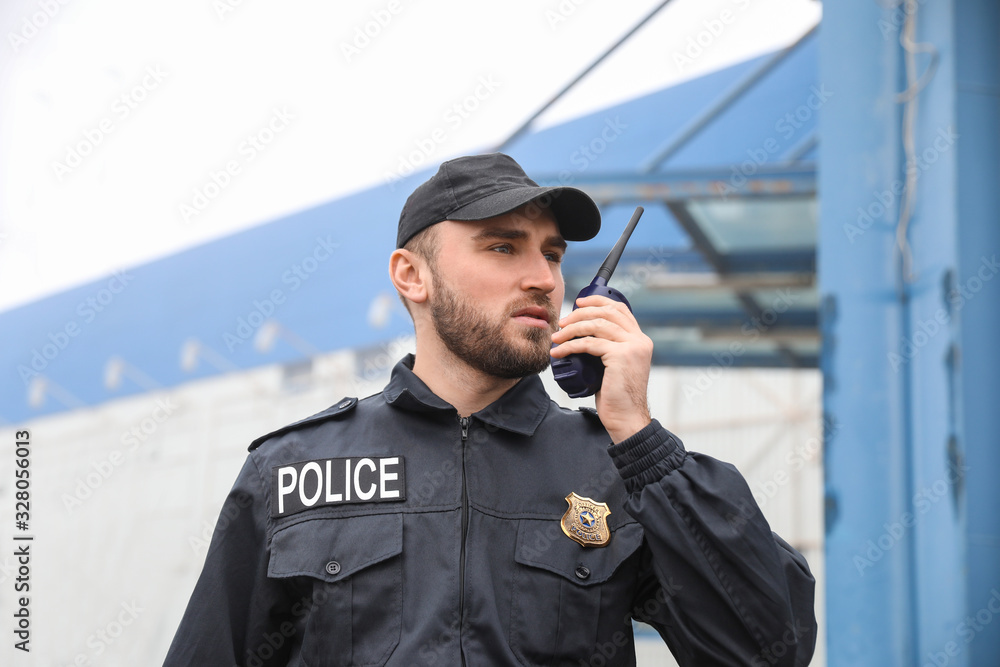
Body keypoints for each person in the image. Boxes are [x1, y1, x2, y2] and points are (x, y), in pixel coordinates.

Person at [163, 152, 817, 666]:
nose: (543, 277)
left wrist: (642, 440)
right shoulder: (294, 469)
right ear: (411, 276)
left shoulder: (617, 469)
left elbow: (768, 651)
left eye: (553, 253)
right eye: (504, 247)